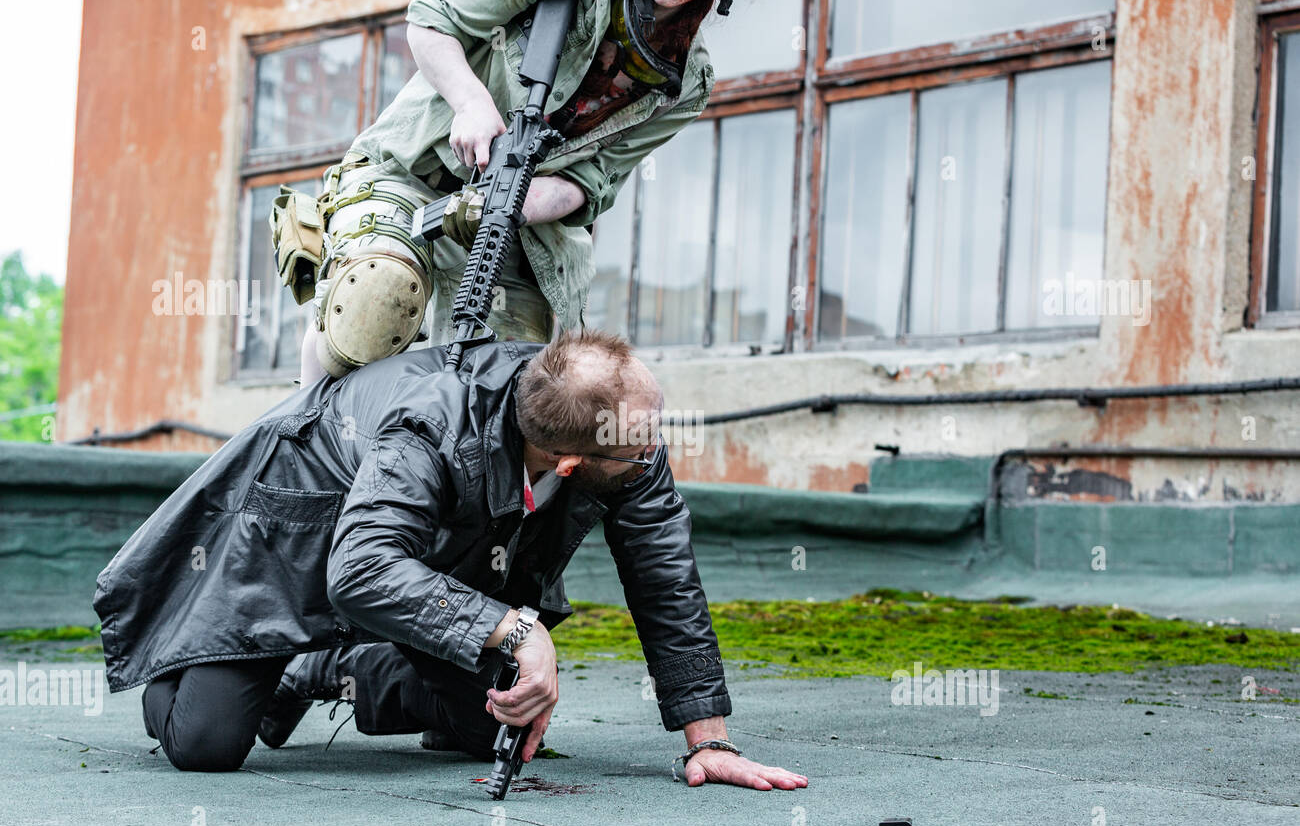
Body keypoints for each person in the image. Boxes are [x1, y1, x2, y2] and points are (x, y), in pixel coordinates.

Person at [94, 329, 807, 792]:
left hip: (430, 539)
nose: (654, 453)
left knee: (495, 726)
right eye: (637, 449)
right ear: (567, 459)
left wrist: (708, 737)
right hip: (296, 521)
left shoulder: (618, 430)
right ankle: (191, 651)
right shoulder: (430, 430)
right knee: (206, 744)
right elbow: (362, 570)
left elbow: (664, 577)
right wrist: (520, 632)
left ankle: (326, 670)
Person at [285, 0, 733, 386]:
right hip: (410, 174)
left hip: (519, 232)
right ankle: (300, 437)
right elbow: (431, 19)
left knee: (498, 390)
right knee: (375, 297)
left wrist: (526, 202)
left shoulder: (688, 83)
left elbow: (597, 181)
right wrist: (471, 104)